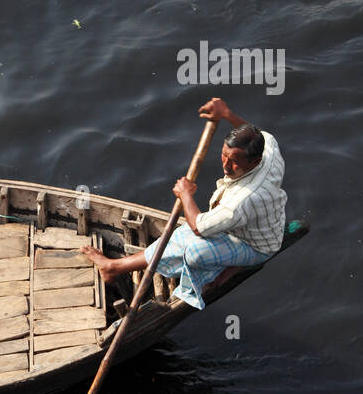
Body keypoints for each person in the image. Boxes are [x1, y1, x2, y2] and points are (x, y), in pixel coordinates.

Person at [80, 97, 287, 310]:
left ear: (254, 162)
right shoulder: (268, 151)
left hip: (255, 244)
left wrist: (186, 195)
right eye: (224, 156)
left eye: (234, 161)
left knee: (193, 250)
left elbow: (200, 228)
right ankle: (114, 267)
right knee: (181, 236)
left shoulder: (243, 200)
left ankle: (119, 269)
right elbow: (260, 133)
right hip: (262, 223)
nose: (226, 166)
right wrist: (227, 114)